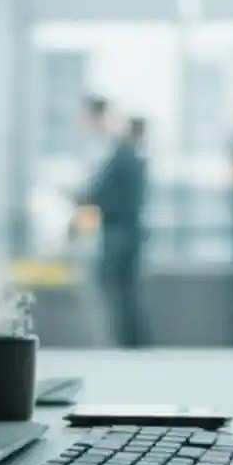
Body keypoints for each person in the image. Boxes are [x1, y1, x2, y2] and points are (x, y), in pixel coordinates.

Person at [81, 116, 149, 348]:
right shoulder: (139, 161)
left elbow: (98, 192)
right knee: (128, 293)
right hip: (132, 233)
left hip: (117, 233)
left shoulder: (121, 158)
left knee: (115, 291)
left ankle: (124, 342)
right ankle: (134, 342)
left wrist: (85, 198)